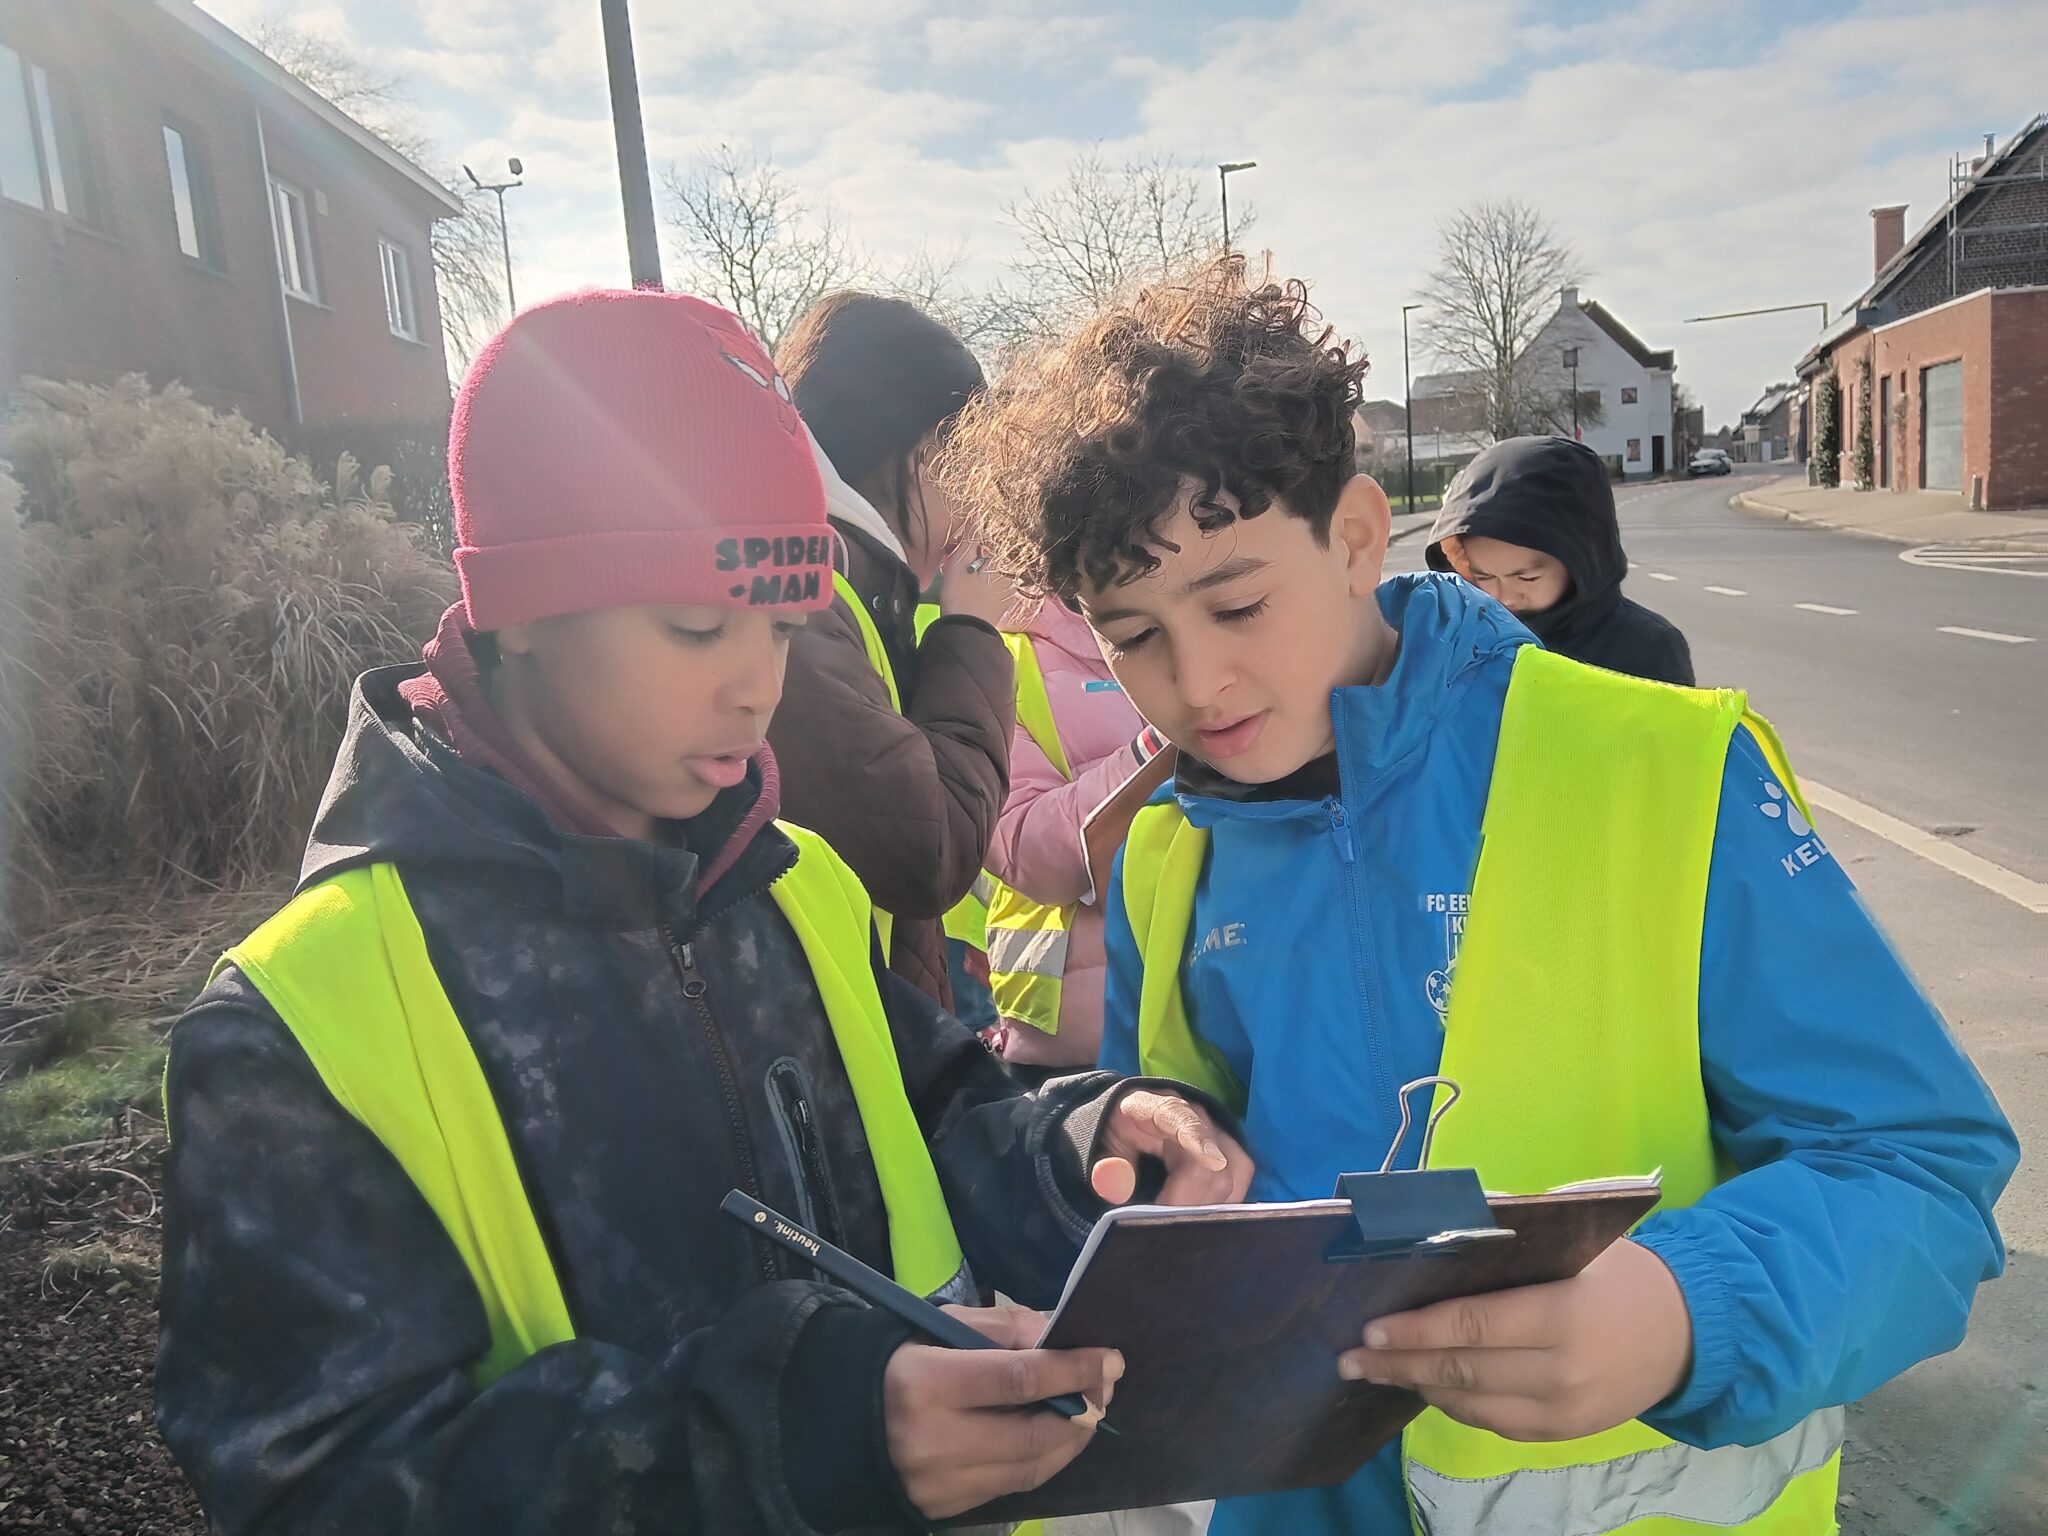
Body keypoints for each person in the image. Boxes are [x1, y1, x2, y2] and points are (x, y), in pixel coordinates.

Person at [154, 290, 1253, 1536]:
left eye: (781, 628)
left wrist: (1084, 1147)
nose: (753, 688)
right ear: (519, 608)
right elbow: (316, 1485)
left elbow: (940, 1111)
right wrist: (791, 1443)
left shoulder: (796, 880)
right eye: (694, 627)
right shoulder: (294, 1026)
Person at [944, 263, 2018, 1536]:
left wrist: (1684, 1310)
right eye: (1130, 636)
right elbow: (1183, 1204)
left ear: (1357, 537)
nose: (1197, 682)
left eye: (1236, 603)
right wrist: (1131, 1148)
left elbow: (1917, 1167)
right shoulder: (1164, 851)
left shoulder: (1658, 768)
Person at [774, 291, 1015, 1008]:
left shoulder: (852, 585)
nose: (973, 511)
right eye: (969, 473)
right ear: (925, 451)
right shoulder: (809, 594)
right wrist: (972, 633)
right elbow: (925, 852)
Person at [980, 591, 1164, 1071]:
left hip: (1219, 995)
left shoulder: (1196, 625)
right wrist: (1152, 750)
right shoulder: (1005, 662)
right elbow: (1023, 848)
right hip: (1075, 1034)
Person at [1427, 434, 1696, 684]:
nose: (1503, 597)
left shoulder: (1649, 650)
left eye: (1526, 577)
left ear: (1582, 560)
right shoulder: (1462, 644)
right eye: (1483, 576)